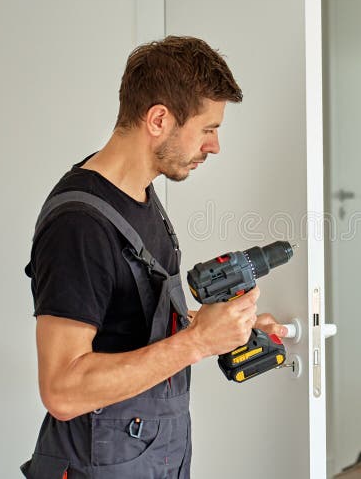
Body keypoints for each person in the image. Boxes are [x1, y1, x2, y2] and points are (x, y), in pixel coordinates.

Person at [21, 36, 288, 478]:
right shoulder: (79, 226)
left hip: (152, 457)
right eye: (208, 128)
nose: (215, 146)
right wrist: (197, 342)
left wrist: (218, 328)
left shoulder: (141, 198)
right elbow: (61, 390)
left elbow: (130, 320)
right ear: (160, 119)